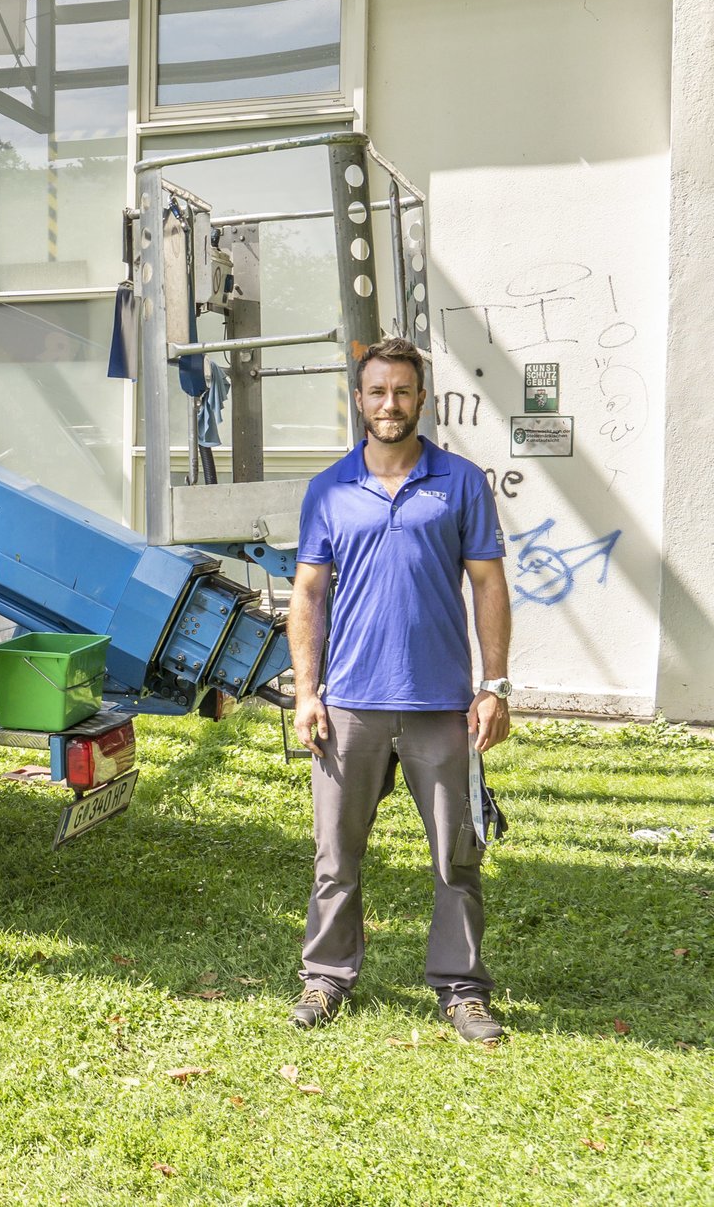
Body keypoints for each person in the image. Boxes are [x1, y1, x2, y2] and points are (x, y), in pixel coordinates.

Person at [288, 336, 512, 1043]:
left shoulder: (461, 483)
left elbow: (489, 585)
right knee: (335, 855)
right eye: (378, 391)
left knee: (457, 855)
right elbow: (308, 594)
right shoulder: (328, 489)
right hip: (349, 704)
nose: (390, 403)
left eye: (402, 391)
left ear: (421, 399)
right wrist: (306, 692)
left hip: (441, 705)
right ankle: (326, 979)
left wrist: (494, 685)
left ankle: (462, 990)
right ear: (359, 400)